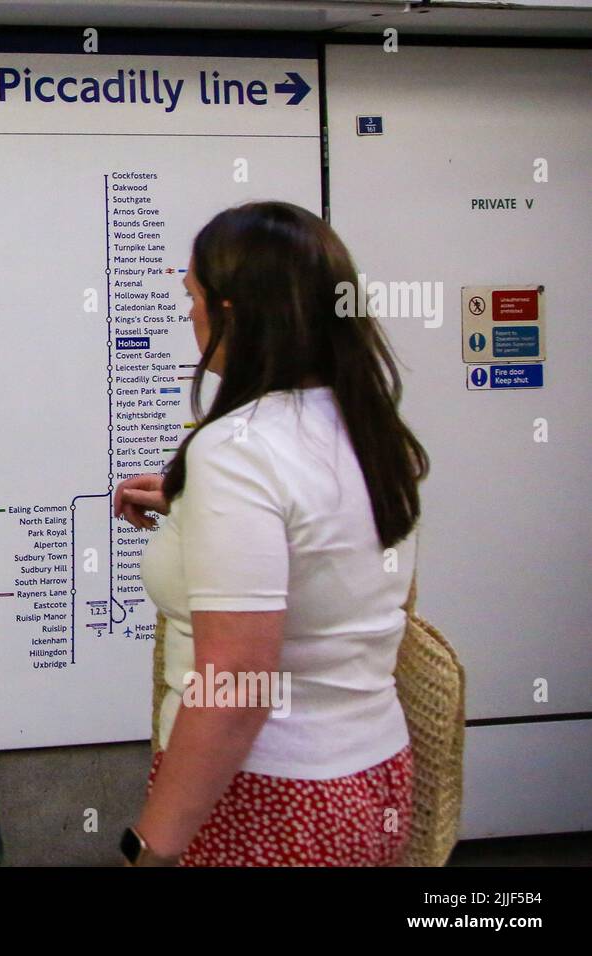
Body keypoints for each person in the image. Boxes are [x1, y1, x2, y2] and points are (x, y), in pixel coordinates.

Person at [115, 201, 429, 867]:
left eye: (193, 297)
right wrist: (191, 503)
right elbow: (320, 541)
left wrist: (147, 848)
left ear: (233, 311)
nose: (189, 316)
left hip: (268, 795)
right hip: (370, 776)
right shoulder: (366, 424)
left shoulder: (237, 449)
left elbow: (236, 681)